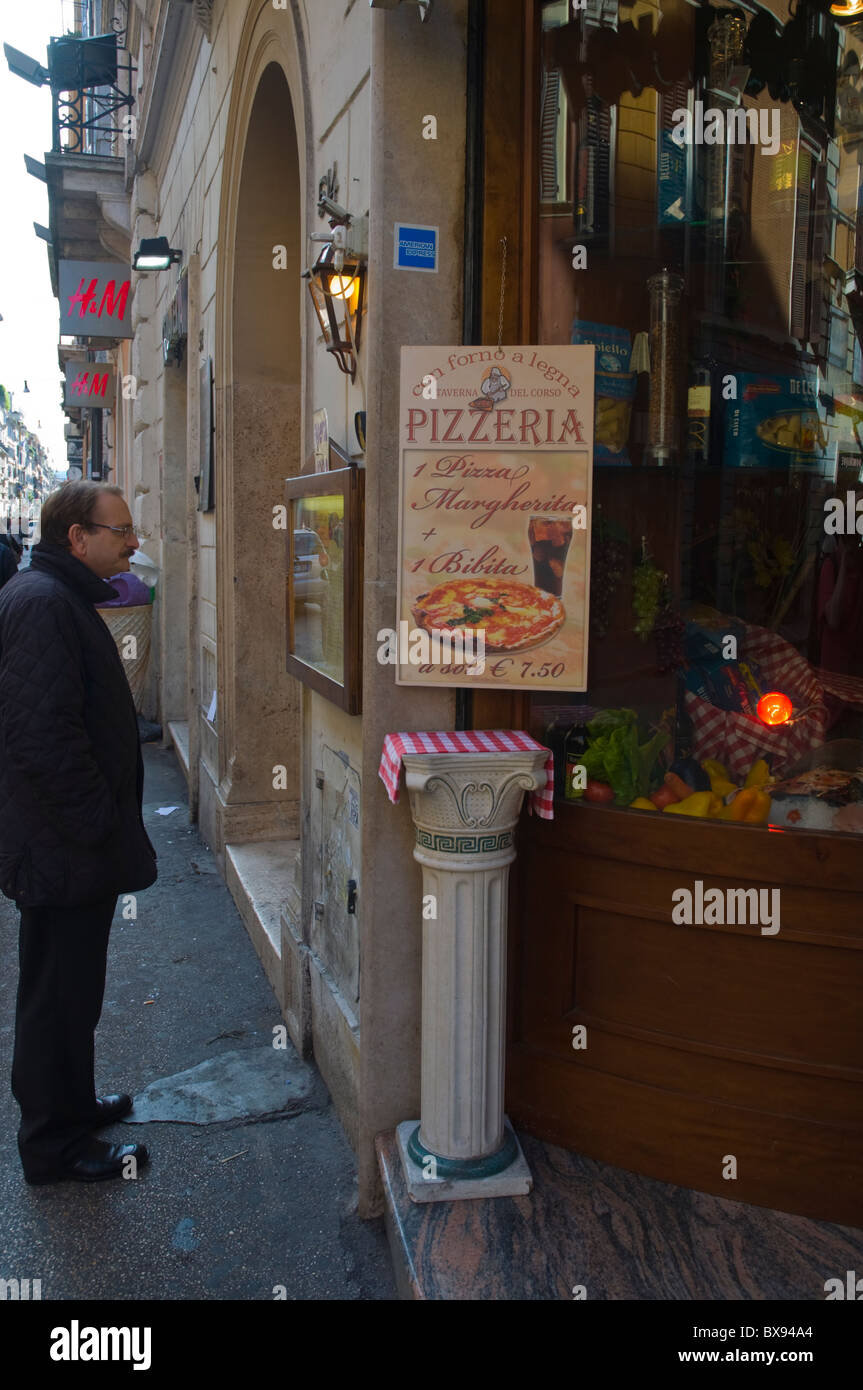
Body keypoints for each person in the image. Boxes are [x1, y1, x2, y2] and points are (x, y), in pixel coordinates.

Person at [0, 482, 157, 1184]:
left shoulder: (57, 596)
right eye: (120, 530)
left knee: (72, 989)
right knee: (56, 997)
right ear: (76, 537)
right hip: (61, 846)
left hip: (65, 843)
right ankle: (53, 1146)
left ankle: (73, 1107)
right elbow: (43, 738)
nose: (132, 542)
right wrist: (100, 822)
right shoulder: (41, 603)